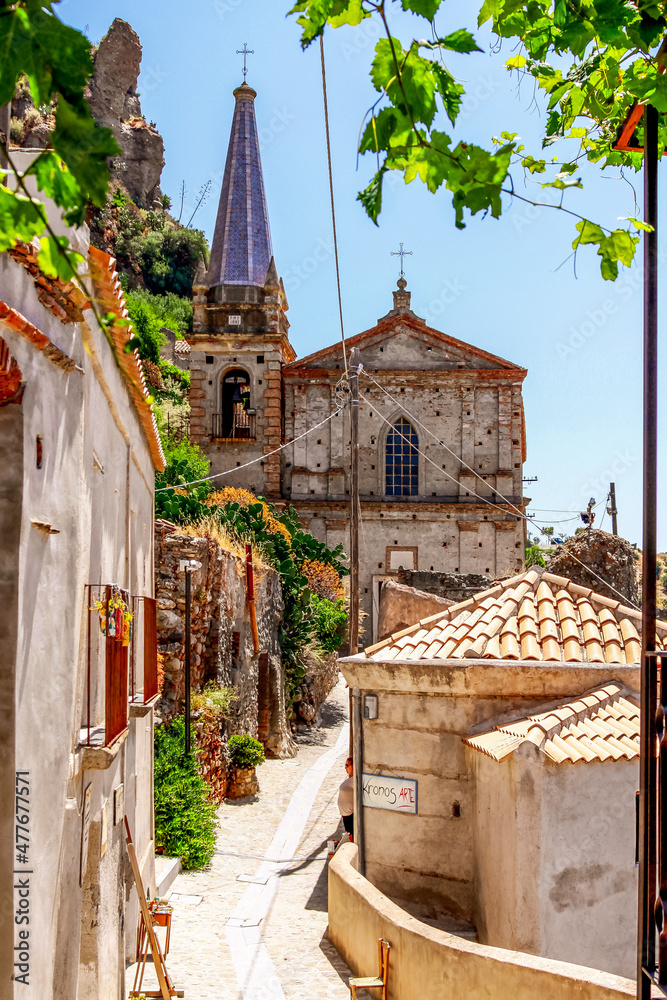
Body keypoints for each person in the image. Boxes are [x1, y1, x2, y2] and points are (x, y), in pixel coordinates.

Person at [338, 757, 354, 842]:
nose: (345, 768)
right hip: (347, 815)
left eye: (347, 765)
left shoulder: (356, 780)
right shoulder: (351, 780)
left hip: (351, 816)